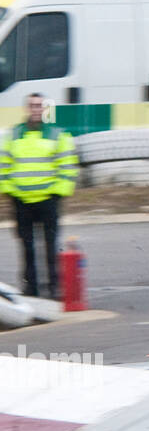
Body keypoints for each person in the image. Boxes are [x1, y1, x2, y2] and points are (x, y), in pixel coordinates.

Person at [0, 94, 78, 298]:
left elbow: (68, 166)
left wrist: (58, 193)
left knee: (51, 247)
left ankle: (54, 288)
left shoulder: (57, 134)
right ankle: (31, 288)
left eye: (39, 106)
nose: (35, 109)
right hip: (21, 201)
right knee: (27, 248)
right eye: (32, 106)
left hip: (48, 200)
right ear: (26, 109)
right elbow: (4, 165)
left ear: (44, 110)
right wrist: (9, 190)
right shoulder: (13, 135)